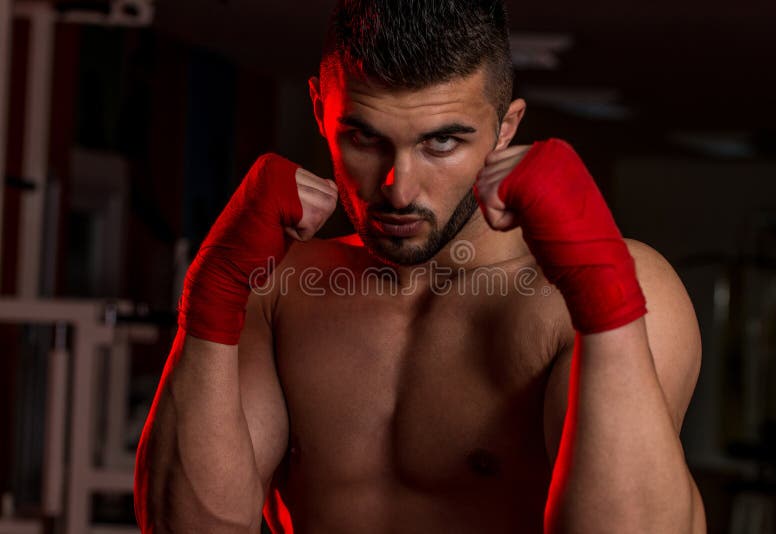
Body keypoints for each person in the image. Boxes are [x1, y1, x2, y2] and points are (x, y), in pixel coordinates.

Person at [134, 1, 707, 532]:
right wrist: (209, 295)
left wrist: (603, 297)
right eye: (363, 137)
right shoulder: (278, 291)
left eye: (442, 143)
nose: (399, 189)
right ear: (319, 110)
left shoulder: (614, 290)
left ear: (505, 129)